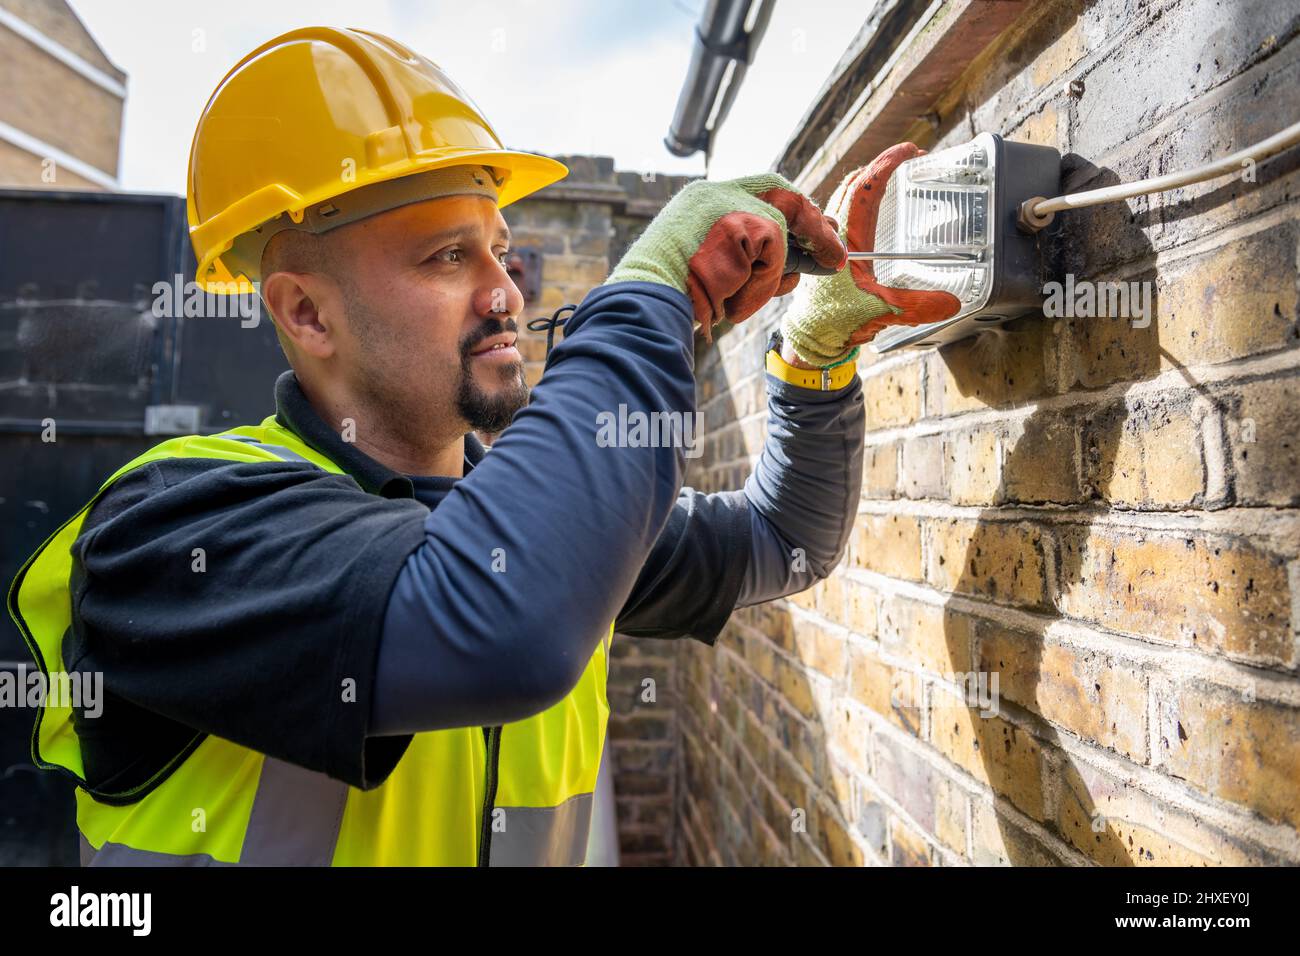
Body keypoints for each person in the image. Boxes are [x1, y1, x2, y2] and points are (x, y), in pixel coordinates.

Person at [9, 26, 959, 866]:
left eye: (499, 251)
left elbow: (780, 538)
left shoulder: (521, 516)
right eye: (446, 255)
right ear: (306, 311)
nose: (503, 290)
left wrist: (817, 350)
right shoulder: (172, 528)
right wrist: (653, 290)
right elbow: (500, 622)